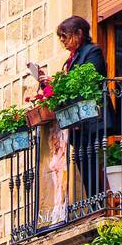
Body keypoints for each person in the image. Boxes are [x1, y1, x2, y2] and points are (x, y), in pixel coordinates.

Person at [38, 16, 109, 204]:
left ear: (79, 33)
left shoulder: (92, 52)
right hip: (79, 123)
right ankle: (94, 203)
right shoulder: (72, 59)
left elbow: (89, 78)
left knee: (92, 162)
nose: (62, 41)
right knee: (83, 162)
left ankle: (99, 204)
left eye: (65, 36)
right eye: (60, 37)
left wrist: (59, 82)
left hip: (94, 119)